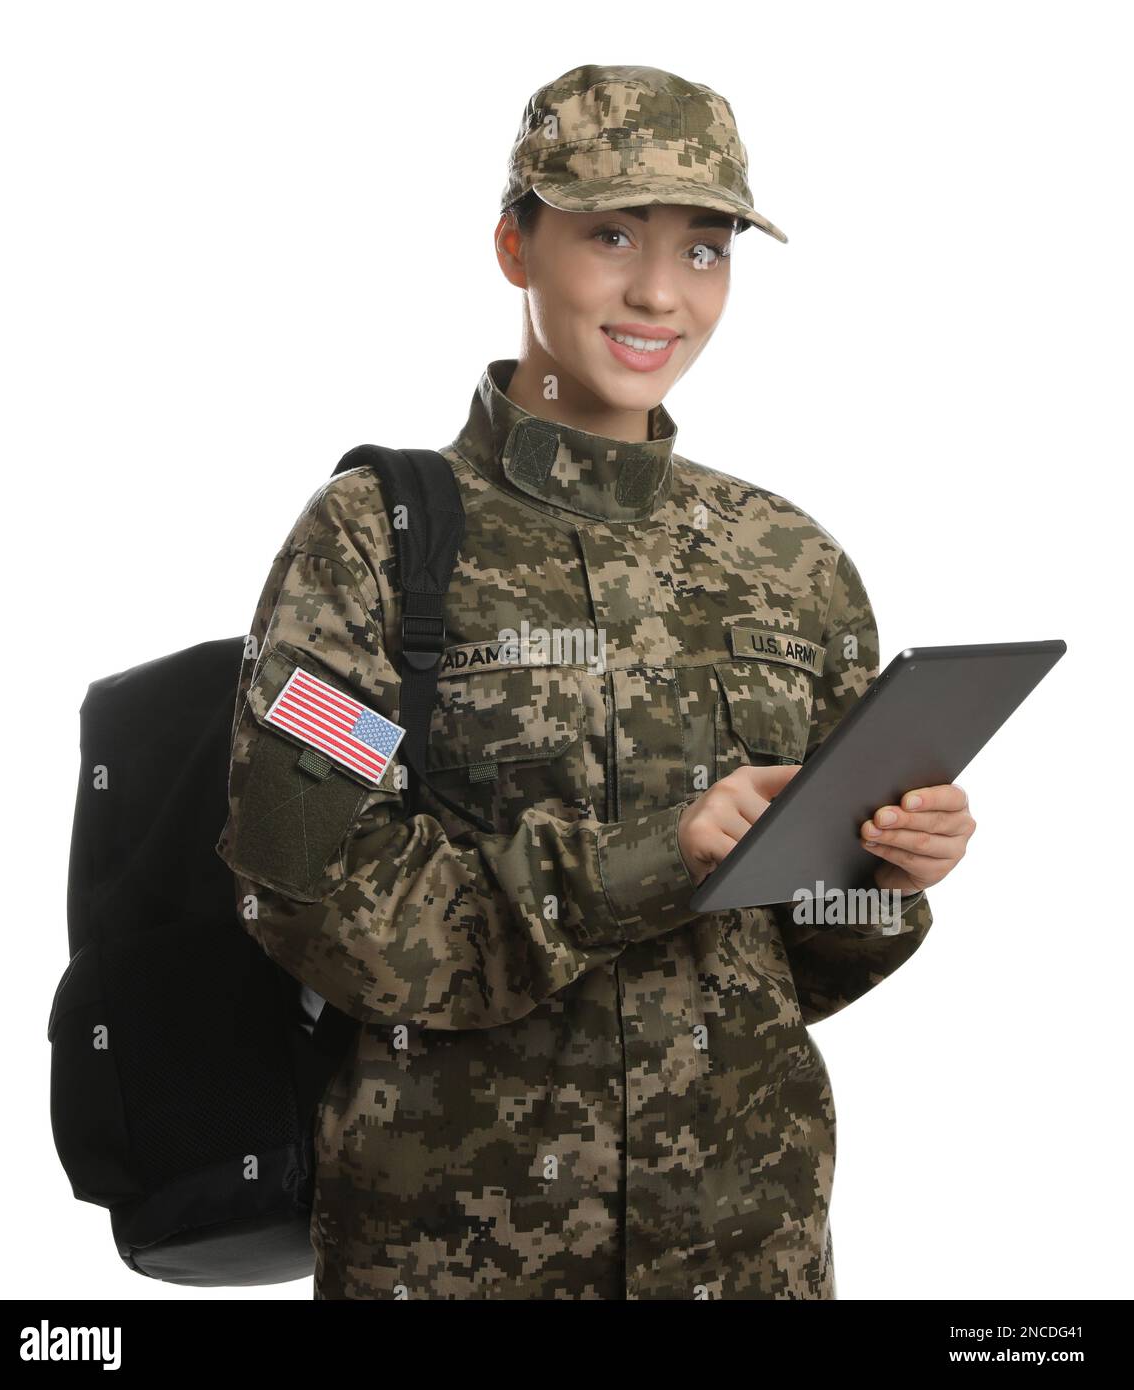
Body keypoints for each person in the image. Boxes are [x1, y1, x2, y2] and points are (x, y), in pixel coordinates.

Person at [216, 62, 976, 1300]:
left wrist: (884, 872)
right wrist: (655, 855)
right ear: (515, 245)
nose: (658, 294)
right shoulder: (372, 543)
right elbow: (308, 897)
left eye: (706, 249)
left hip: (752, 1252)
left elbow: (807, 965)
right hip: (453, 1260)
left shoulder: (793, 565)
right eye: (610, 235)